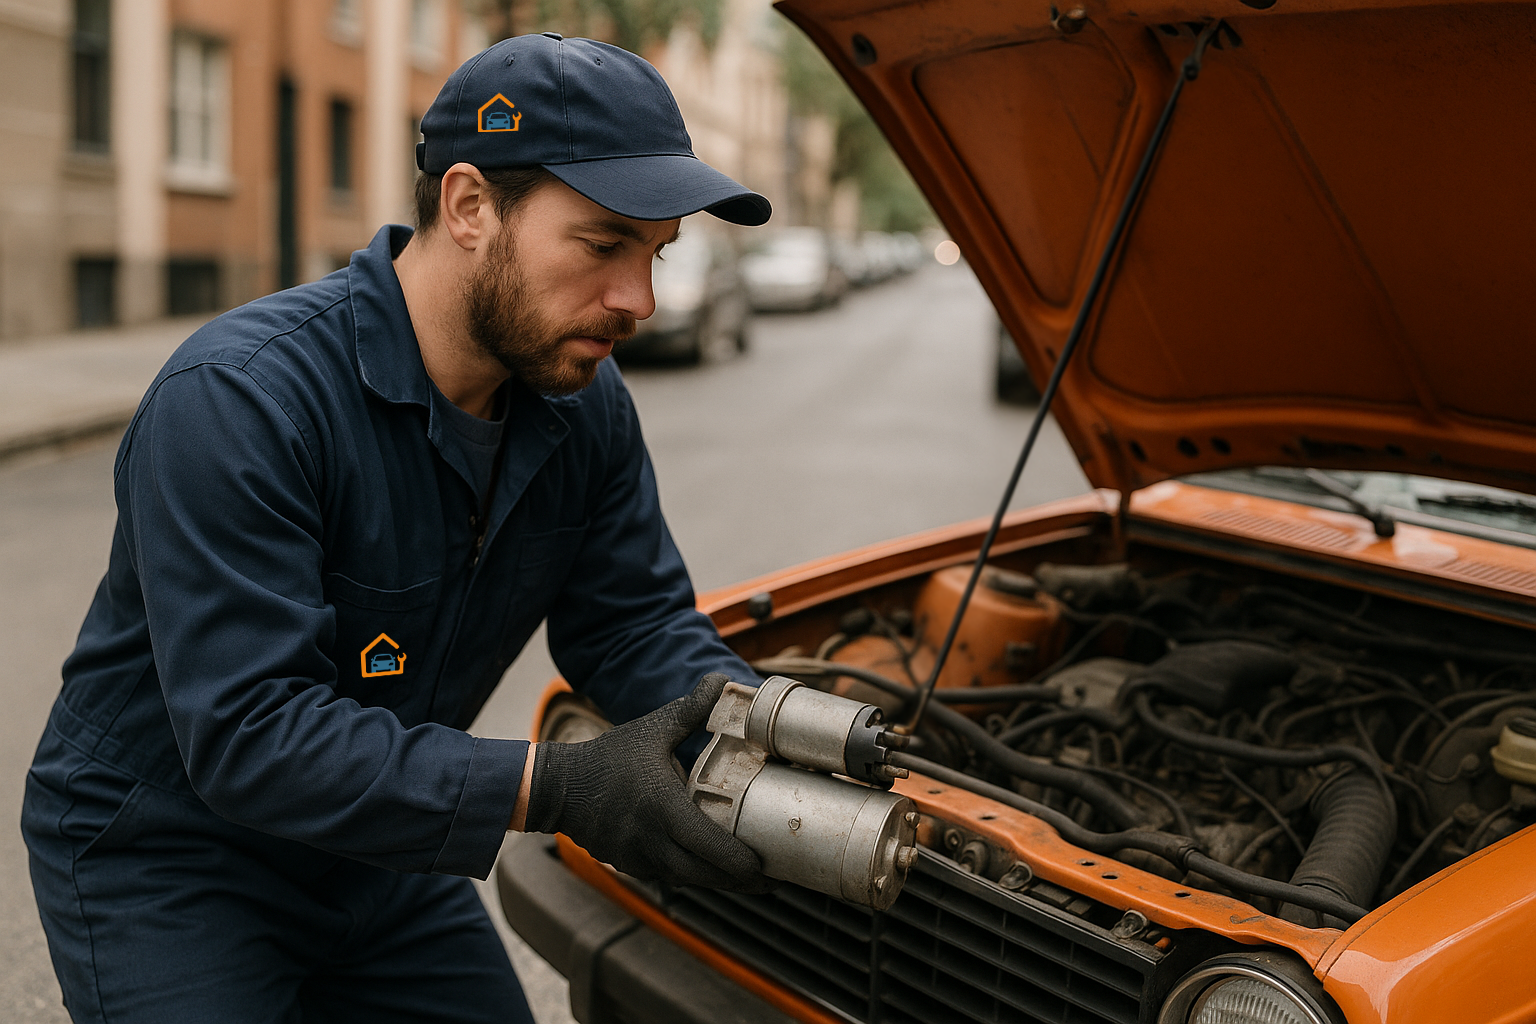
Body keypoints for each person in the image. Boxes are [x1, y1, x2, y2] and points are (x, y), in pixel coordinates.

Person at [22, 33, 773, 1024]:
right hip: (171, 855)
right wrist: (563, 786)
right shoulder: (243, 401)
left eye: (655, 254)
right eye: (601, 246)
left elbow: (631, 625)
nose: (638, 299)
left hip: (379, 845)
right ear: (468, 206)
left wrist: (769, 729)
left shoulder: (583, 404)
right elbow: (254, 734)